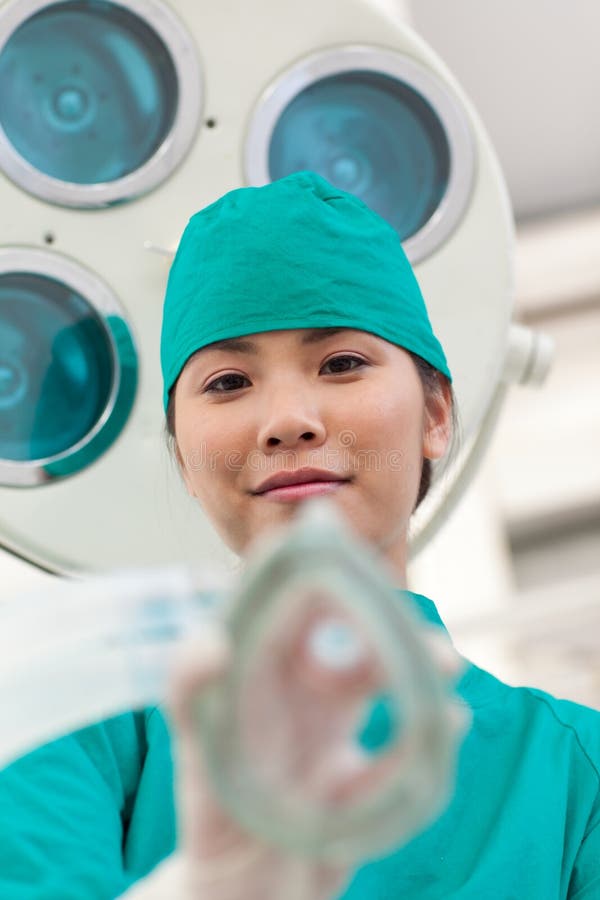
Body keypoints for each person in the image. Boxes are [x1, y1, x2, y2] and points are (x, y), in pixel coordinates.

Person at [0, 171, 599, 899]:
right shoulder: (66, 723)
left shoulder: (571, 778)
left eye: (341, 363)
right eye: (227, 383)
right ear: (183, 456)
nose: (287, 418)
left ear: (436, 414)